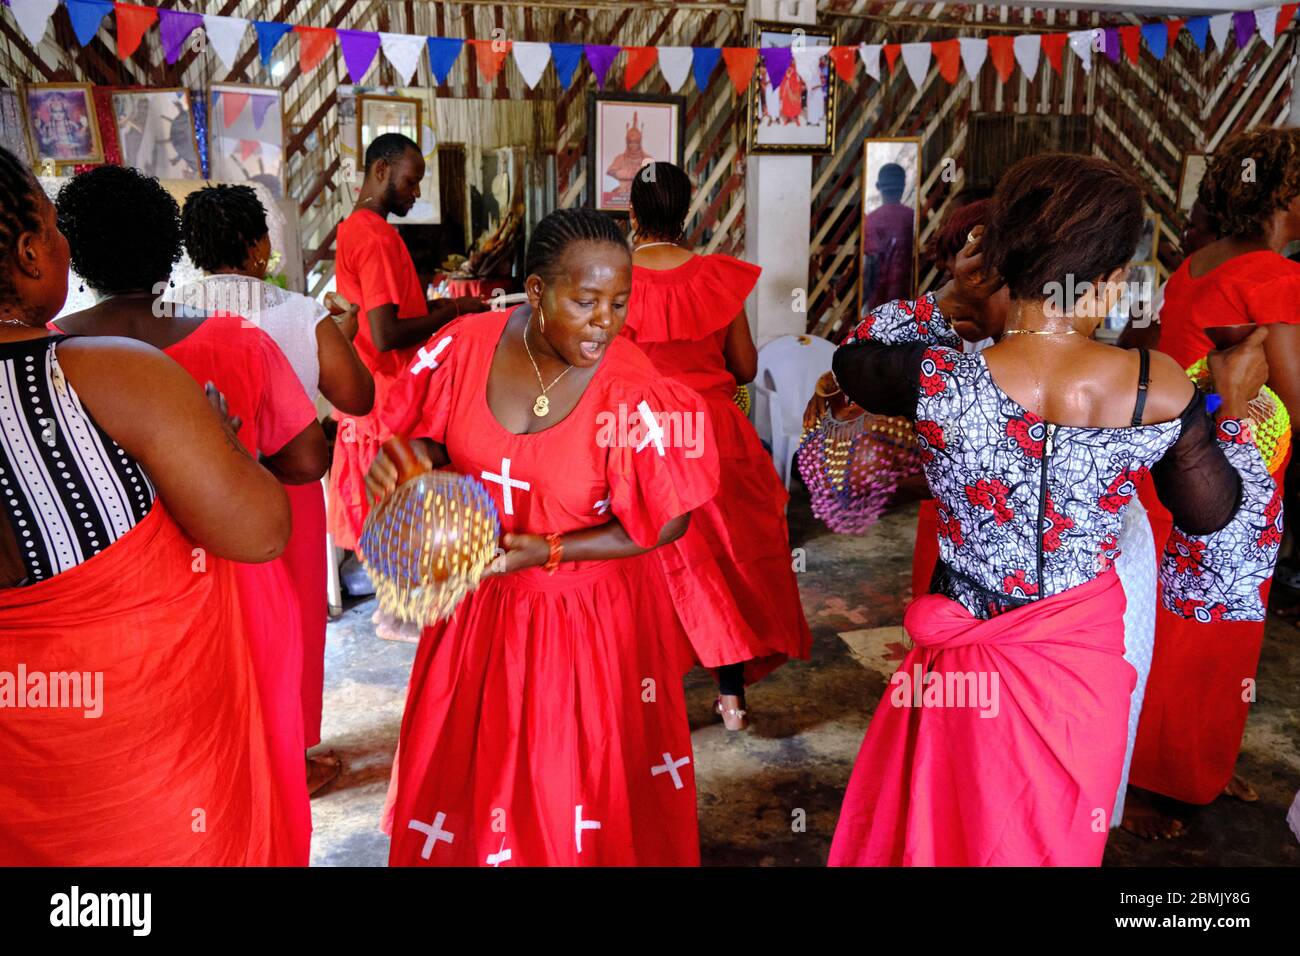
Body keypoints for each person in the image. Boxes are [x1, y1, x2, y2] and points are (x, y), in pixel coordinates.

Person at [827, 153, 1280, 866]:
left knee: (956, 833)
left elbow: (855, 357)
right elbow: (1211, 516)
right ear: (1112, 280)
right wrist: (1236, 403)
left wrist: (947, 299)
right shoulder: (1150, 384)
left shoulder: (943, 380)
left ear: (1004, 259)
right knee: (1051, 840)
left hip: (964, 659)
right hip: (1080, 670)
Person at [368, 208, 718, 866]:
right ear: (535, 292)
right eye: (586, 302)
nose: (605, 322)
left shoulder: (628, 387)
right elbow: (427, 431)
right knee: (475, 778)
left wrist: (552, 550)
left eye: (619, 302)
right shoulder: (469, 345)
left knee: (570, 789)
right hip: (477, 612)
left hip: (585, 620)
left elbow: (670, 519)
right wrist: (404, 458)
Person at [0, 146, 296, 864]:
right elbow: (259, 532)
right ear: (33, 252)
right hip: (142, 764)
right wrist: (226, 447)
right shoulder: (111, 374)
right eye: (50, 224)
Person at [1125, 126, 1300, 838]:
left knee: (1186, 632)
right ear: (1288, 194)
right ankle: (1151, 783)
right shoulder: (1276, 276)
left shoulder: (1196, 264)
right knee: (1209, 636)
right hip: (1231, 483)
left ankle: (1191, 766)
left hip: (1180, 472)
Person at [176, 182, 375, 796]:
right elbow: (358, 397)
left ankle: (232, 752)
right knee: (291, 623)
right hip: (285, 487)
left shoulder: (167, 313)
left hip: (192, 497)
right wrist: (342, 333)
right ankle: (290, 755)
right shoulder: (296, 312)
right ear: (260, 247)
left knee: (217, 625)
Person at [624, 162, 811, 730]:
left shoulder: (612, 280)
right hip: (713, 435)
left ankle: (646, 702)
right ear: (687, 214)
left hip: (644, 439)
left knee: (649, 569)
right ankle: (732, 699)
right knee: (725, 565)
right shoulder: (714, 278)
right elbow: (745, 367)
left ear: (631, 215)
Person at [328, 133, 483, 563]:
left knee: (387, 519)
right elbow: (387, 333)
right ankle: (396, 607)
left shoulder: (353, 228)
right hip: (391, 399)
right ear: (381, 171)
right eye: (411, 182)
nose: (415, 193)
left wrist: (445, 306)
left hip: (372, 392)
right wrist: (453, 310)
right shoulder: (375, 237)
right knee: (397, 521)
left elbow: (394, 311)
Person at [1116, 198, 1218, 352]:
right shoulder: (1178, 280)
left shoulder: (1218, 294)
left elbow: (1199, 368)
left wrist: (1144, 323)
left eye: (1191, 226)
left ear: (1217, 239)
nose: (1182, 235)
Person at [861, 163, 915, 315]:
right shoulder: (914, 217)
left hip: (878, 302)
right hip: (908, 302)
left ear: (878, 186)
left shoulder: (870, 220)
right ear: (903, 185)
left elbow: (870, 267)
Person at [604, 113, 653, 206]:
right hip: (621, 194)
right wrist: (626, 173)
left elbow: (651, 179)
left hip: (642, 195)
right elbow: (611, 171)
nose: (633, 145)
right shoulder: (620, 158)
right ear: (627, 143)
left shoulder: (648, 159)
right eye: (630, 142)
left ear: (640, 143)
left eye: (635, 142)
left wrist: (638, 174)